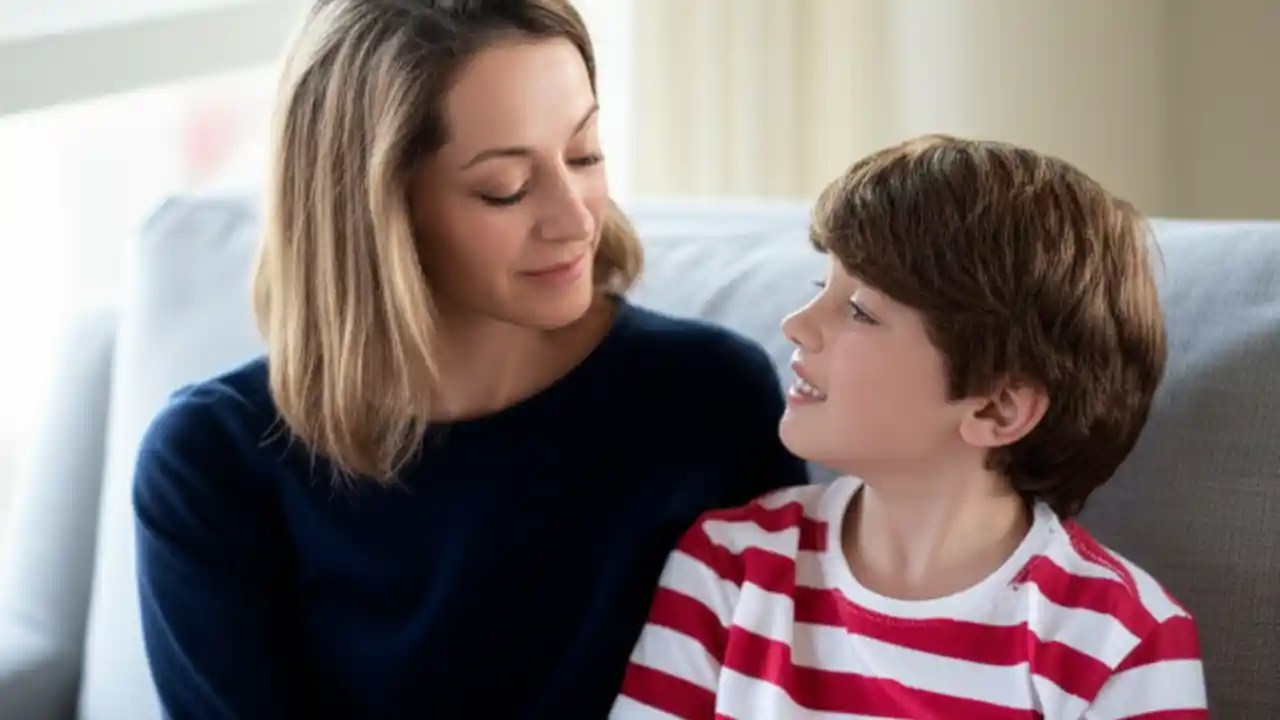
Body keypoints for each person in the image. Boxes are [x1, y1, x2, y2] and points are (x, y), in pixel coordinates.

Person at [131, 1, 808, 717]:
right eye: (505, 188)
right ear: (378, 211)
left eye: (584, 154)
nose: (577, 218)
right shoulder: (212, 465)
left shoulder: (710, 404)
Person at [611, 136, 1208, 719]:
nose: (796, 324)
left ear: (995, 409)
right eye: (822, 288)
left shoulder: (1120, 643)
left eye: (860, 311)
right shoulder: (728, 568)